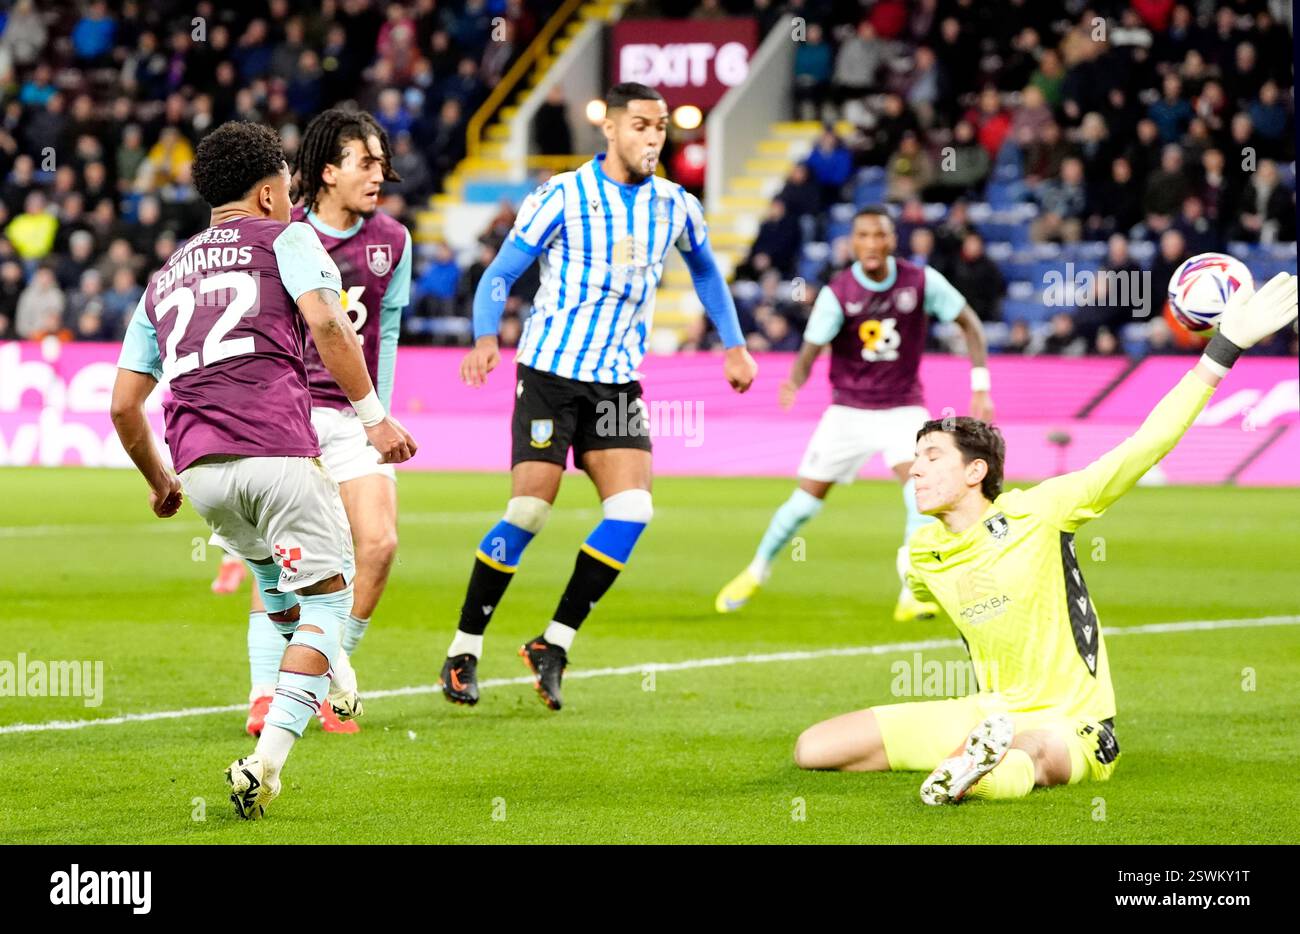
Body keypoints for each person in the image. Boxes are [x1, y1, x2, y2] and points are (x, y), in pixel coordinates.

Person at [790, 273, 1298, 804]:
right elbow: (918, 586)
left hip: (1073, 722)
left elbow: (1146, 445)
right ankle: (973, 758)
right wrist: (908, 579)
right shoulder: (923, 552)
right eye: (915, 458)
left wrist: (1224, 348)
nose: (914, 470)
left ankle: (979, 772)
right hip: (987, 711)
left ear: (975, 472)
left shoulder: (1044, 510)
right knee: (815, 748)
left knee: (1031, 755)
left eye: (931, 457)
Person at [110, 121, 417, 819]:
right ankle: (265, 765)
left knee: (274, 578)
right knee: (330, 601)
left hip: (202, 475)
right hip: (276, 450)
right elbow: (331, 325)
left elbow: (124, 405)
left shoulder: (166, 274)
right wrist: (373, 416)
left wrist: (161, 484)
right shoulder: (287, 237)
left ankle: (330, 669)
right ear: (271, 191)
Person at [437, 83, 757, 710]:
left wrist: (735, 343)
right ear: (610, 130)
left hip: (615, 381)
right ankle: (463, 649)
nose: (653, 137)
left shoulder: (675, 205)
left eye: (660, 127)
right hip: (551, 373)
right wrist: (483, 335)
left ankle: (552, 642)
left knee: (633, 511)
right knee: (529, 514)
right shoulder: (563, 194)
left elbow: (706, 271)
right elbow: (501, 272)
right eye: (640, 125)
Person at [214, 108, 413, 738]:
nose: (379, 172)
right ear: (327, 171)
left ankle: (323, 673)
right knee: (283, 559)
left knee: (378, 545)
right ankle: (267, 691)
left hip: (354, 415)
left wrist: (377, 410)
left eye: (382, 161)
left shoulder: (394, 242)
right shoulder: (282, 233)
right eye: (366, 161)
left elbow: (387, 332)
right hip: (290, 412)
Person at [715, 207, 994, 623]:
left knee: (919, 492)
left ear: (891, 240)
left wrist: (980, 384)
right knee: (803, 505)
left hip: (902, 408)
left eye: (879, 235)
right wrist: (794, 380)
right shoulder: (839, 291)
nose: (871, 244)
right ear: (854, 242)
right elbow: (810, 348)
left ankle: (910, 592)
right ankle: (756, 570)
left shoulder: (920, 281)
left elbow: (970, 323)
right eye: (863, 235)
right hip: (848, 412)